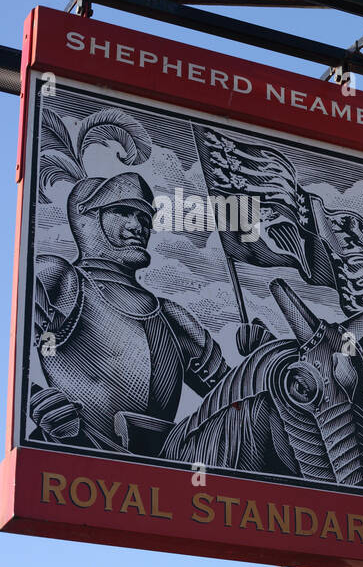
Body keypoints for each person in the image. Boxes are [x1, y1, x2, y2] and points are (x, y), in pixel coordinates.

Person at [29, 172, 232, 455]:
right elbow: (16, 343)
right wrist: (35, 399)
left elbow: (233, 399)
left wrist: (267, 359)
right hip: (77, 454)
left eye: (145, 219)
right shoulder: (61, 278)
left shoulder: (172, 317)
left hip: (164, 473)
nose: (137, 226)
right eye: (122, 212)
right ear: (85, 218)